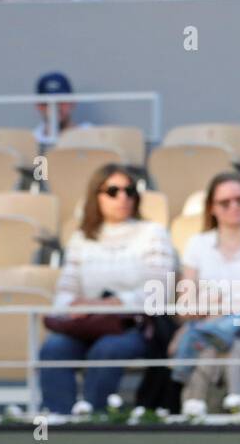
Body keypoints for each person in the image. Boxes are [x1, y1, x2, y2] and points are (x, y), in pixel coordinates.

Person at [39, 164, 175, 414]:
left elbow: (158, 292)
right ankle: (59, 424)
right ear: (96, 196)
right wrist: (72, 308)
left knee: (108, 350)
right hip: (85, 325)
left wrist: (110, 304)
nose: (122, 197)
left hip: (131, 325)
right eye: (113, 191)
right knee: (53, 349)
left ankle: (92, 423)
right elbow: (65, 292)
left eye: (129, 191)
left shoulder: (153, 233)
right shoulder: (81, 238)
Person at [172, 172, 240, 410]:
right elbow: (184, 308)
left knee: (231, 348)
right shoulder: (197, 245)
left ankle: (237, 421)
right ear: (212, 208)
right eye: (225, 202)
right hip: (204, 329)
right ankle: (196, 421)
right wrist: (219, 313)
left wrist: (219, 313)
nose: (235, 206)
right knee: (209, 346)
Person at [32, 71, 91, 146]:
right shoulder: (30, 141)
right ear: (38, 105)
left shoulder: (91, 135)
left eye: (61, 101)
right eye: (47, 103)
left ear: (73, 102)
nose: (55, 107)